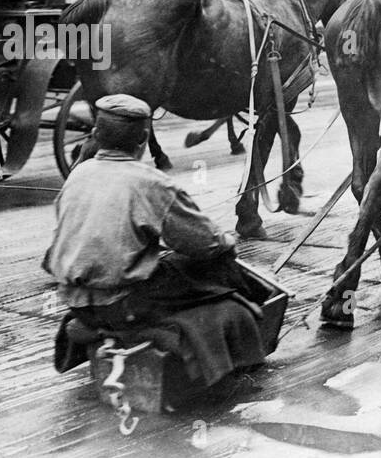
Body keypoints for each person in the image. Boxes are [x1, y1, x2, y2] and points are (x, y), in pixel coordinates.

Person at [44, 95, 267, 386]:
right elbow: (204, 243)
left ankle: (95, 327)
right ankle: (231, 356)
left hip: (75, 300)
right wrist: (226, 243)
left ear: (97, 134)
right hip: (123, 303)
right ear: (143, 139)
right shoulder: (150, 182)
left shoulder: (78, 174)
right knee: (219, 268)